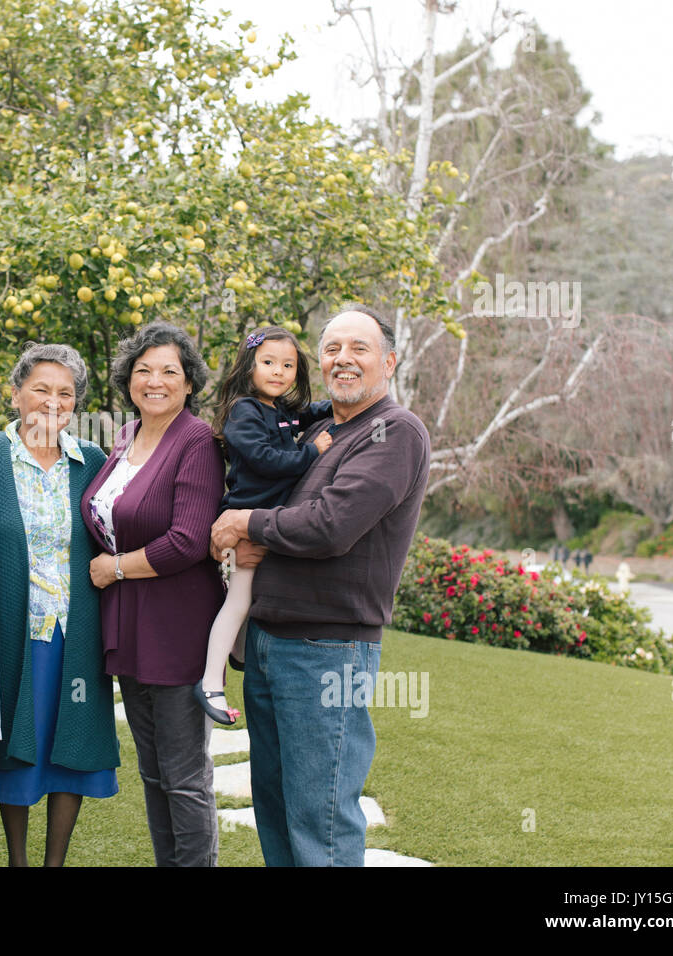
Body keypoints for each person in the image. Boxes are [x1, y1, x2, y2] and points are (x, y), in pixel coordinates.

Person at [210, 304, 431, 867]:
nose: (343, 359)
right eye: (332, 349)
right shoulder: (319, 428)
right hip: (270, 639)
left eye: (359, 348)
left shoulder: (393, 431)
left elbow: (332, 526)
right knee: (277, 810)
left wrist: (247, 523)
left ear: (389, 361)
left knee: (321, 818)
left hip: (328, 651)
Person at [80, 321, 225, 867]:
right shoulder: (126, 438)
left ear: (189, 384)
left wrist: (114, 569)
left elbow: (187, 540)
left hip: (176, 629)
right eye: (144, 370)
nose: (155, 380)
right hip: (130, 630)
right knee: (153, 772)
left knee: (184, 776)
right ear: (128, 380)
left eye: (170, 371)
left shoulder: (197, 441)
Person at [0, 343, 120, 867]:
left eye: (65, 393)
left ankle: (54, 862)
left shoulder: (94, 462)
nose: (52, 402)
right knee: (17, 739)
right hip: (12, 627)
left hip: (75, 629)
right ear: (15, 394)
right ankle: (17, 860)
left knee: (72, 739)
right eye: (41, 389)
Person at [194, 326, 334, 725]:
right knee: (237, 602)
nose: (279, 371)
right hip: (246, 517)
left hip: (266, 522)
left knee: (251, 599)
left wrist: (335, 407)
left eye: (288, 365)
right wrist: (312, 452)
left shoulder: (282, 410)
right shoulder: (244, 411)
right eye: (269, 362)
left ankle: (238, 654)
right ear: (249, 365)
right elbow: (264, 459)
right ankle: (209, 684)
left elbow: (310, 412)